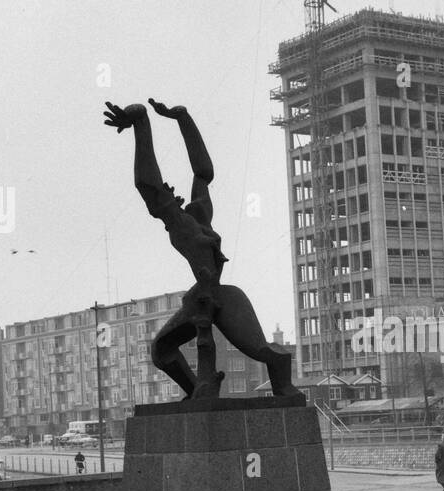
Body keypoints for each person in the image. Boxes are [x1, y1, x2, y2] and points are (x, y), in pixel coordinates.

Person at [103, 99, 301, 401]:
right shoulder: (200, 216)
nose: (160, 199)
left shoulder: (180, 221)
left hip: (212, 297)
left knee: (167, 349)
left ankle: (267, 386)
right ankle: (203, 388)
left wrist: (141, 124)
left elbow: (148, 183)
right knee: (167, 348)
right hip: (215, 294)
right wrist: (183, 119)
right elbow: (203, 173)